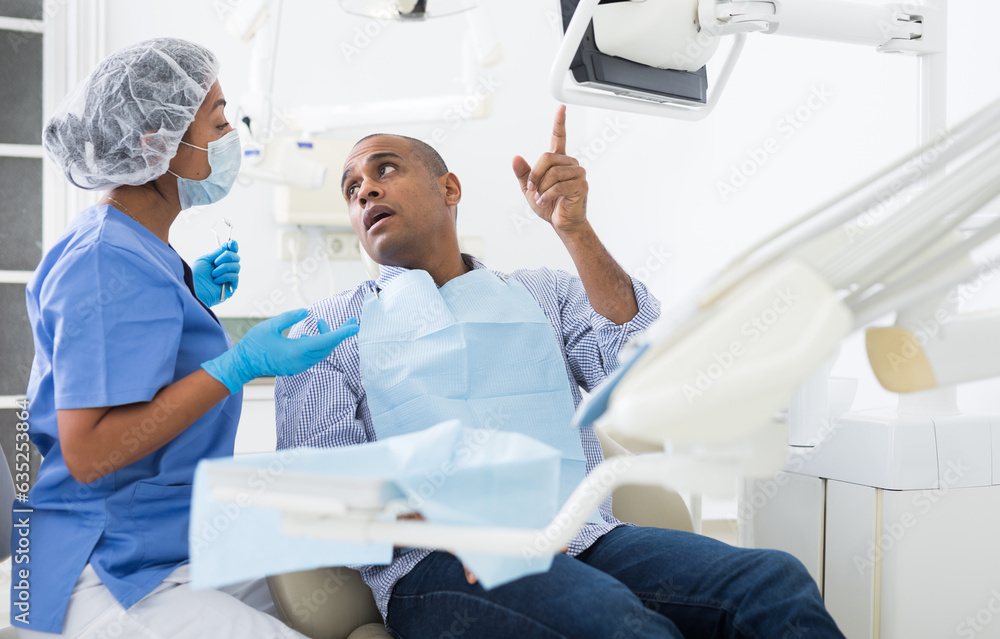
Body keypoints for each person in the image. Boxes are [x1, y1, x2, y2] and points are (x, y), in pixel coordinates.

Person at [274, 107, 845, 638]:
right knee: (615, 623)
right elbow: (327, 501)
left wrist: (574, 229)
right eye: (352, 189)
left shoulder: (541, 294)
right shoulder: (320, 334)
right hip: (441, 565)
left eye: (385, 169)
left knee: (772, 580)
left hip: (582, 536)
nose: (366, 189)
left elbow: (635, 360)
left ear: (449, 189)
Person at [16, 38, 357, 639]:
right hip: (103, 567)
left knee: (348, 597)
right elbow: (90, 454)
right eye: (219, 123)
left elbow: (131, 343)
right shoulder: (106, 258)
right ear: (157, 143)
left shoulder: (137, 249)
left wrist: (186, 294)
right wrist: (240, 364)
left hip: (168, 540)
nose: (231, 141)